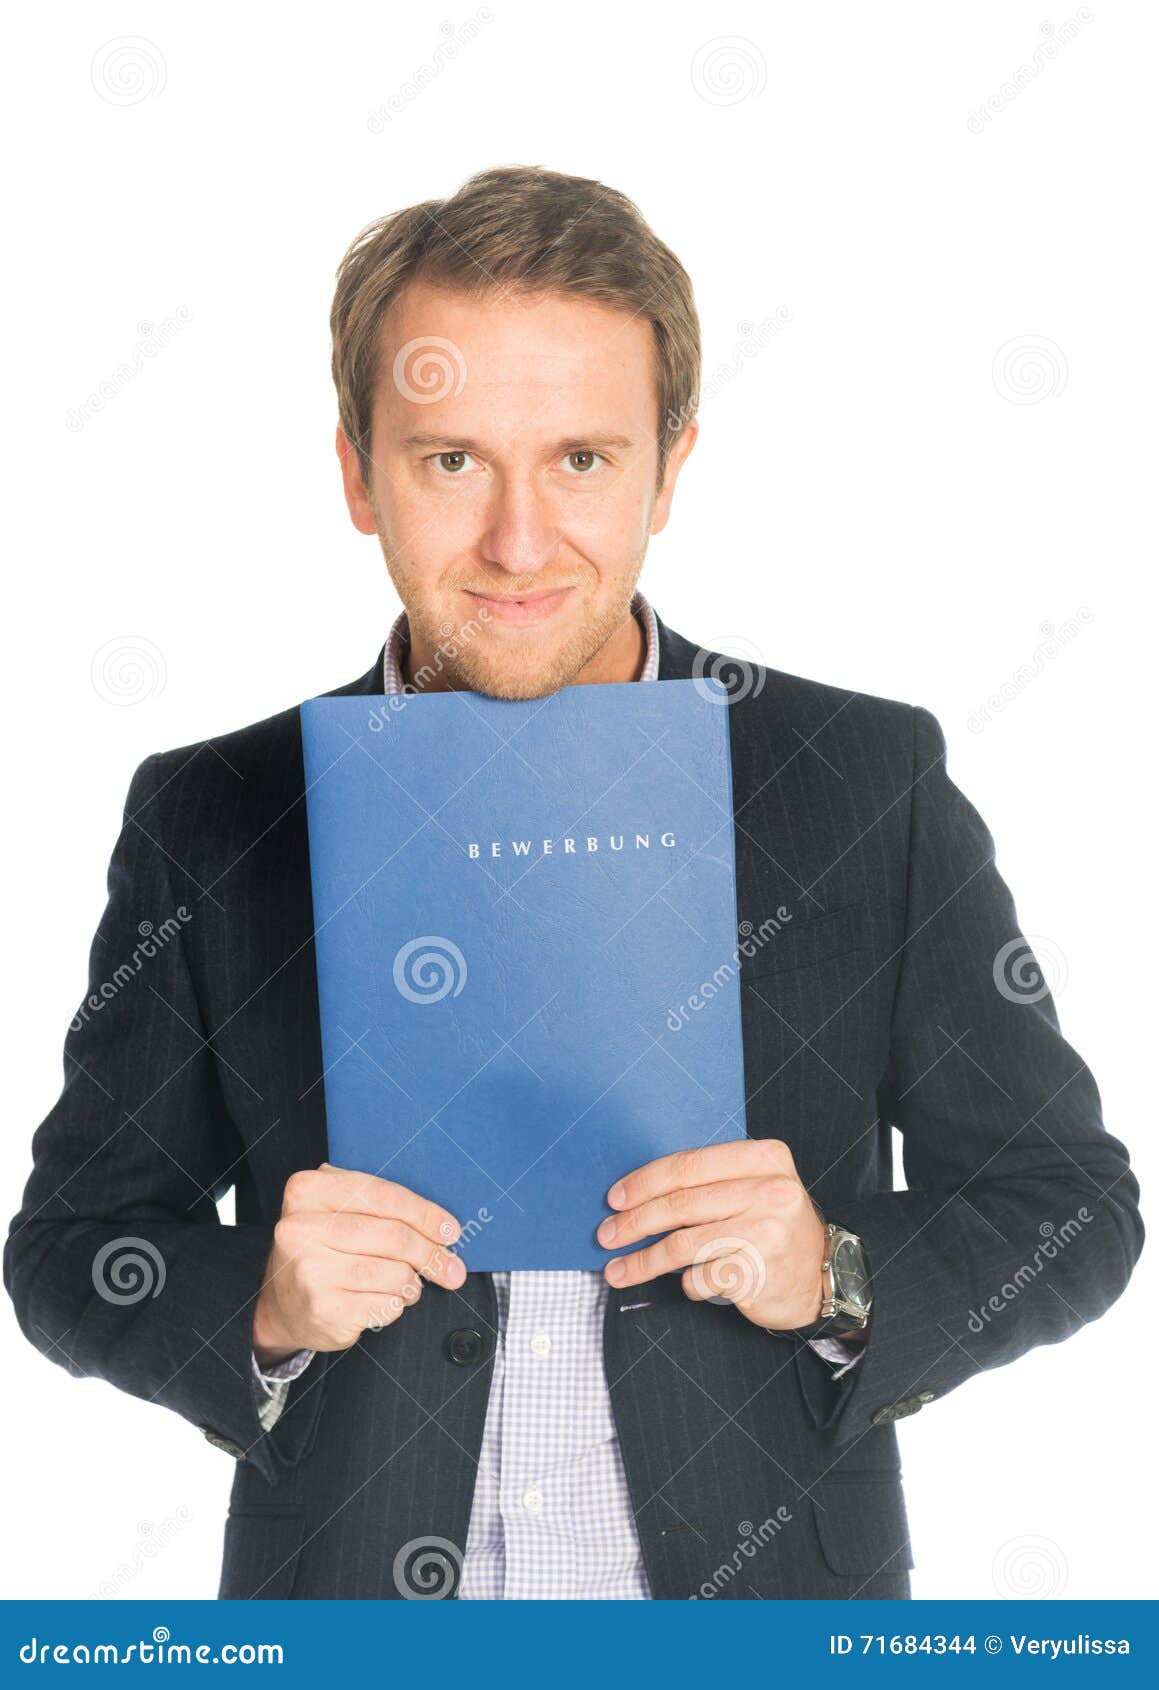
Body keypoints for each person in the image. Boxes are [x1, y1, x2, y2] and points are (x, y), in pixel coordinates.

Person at [5, 165, 1142, 1601]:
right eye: (451, 460)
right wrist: (266, 1311)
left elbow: (1068, 1205)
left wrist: (833, 1272)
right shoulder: (215, 811)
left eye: (584, 460)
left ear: (670, 469)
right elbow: (72, 1249)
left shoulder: (864, 782)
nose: (520, 543)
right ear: (357, 473)